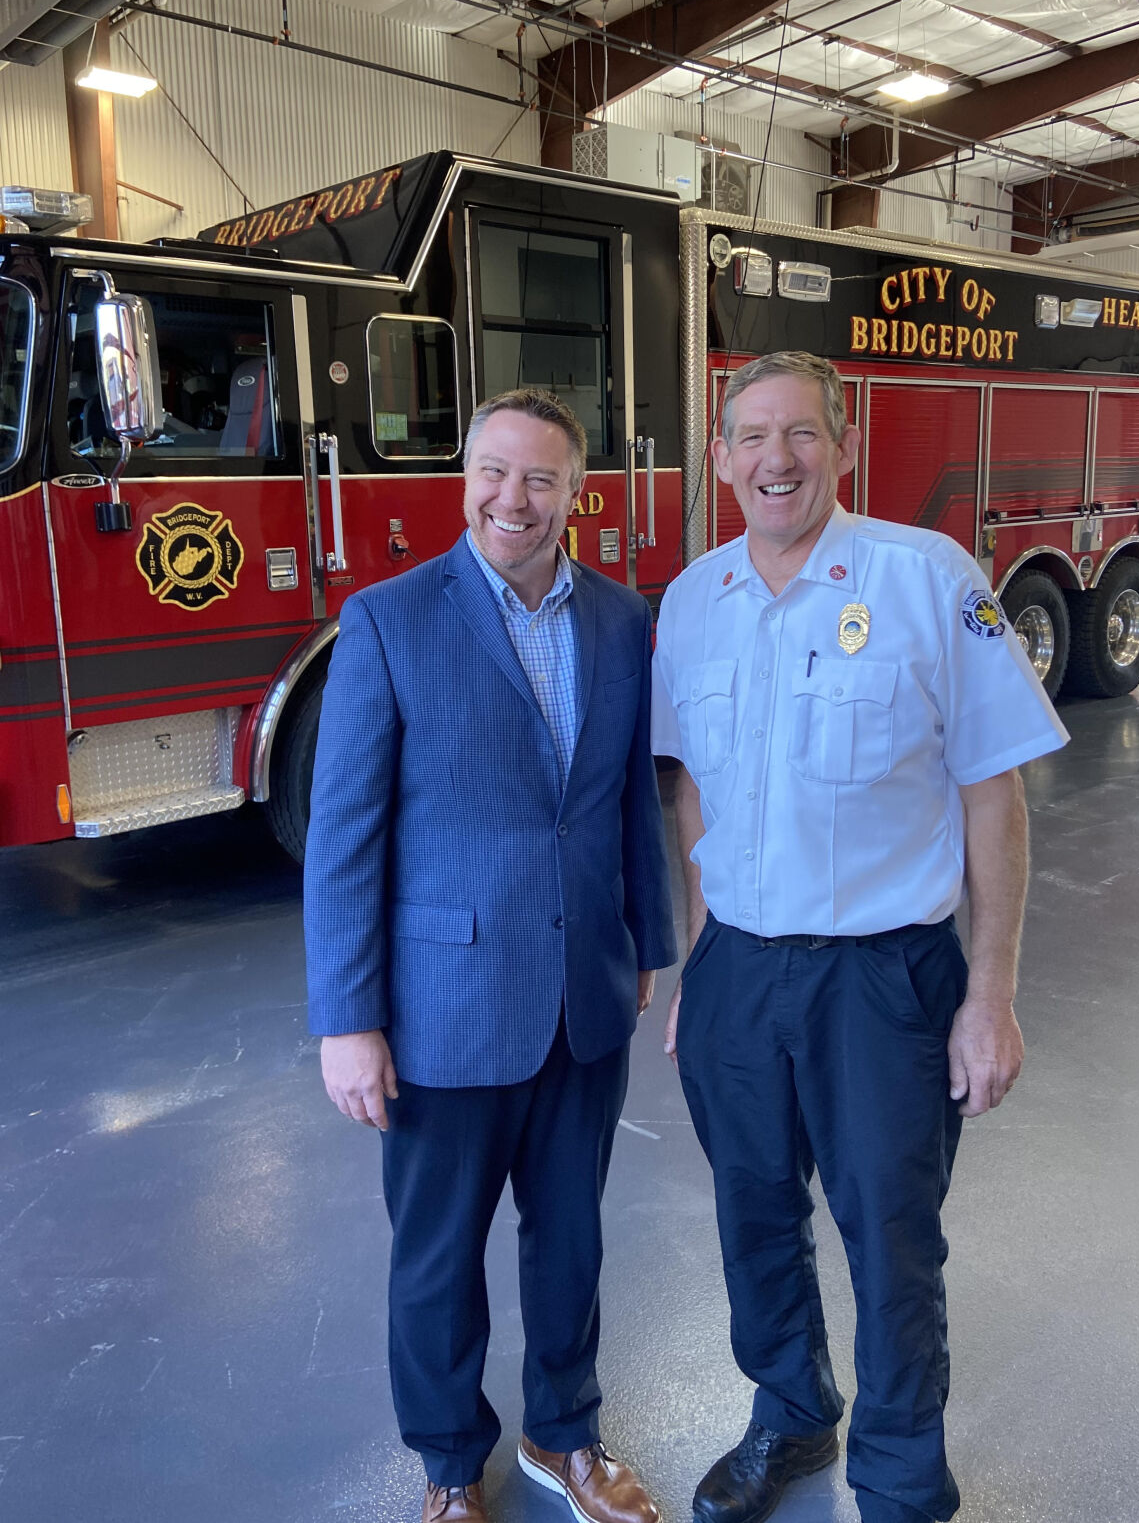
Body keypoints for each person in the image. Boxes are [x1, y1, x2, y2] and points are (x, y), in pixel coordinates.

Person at [651, 352, 1068, 1523]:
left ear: (842, 447)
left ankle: (897, 1478)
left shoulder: (928, 579)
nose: (774, 459)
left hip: (884, 978)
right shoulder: (691, 603)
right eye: (750, 438)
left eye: (799, 435)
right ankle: (788, 1413)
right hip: (737, 970)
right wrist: (700, 965)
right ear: (721, 456)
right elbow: (691, 795)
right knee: (751, 1214)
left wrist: (988, 997)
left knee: (889, 1236)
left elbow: (993, 794)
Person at [305, 387, 677, 1523]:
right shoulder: (387, 620)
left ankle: (564, 1434)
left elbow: (622, 804)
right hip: (442, 1007)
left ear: (577, 492)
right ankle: (449, 1466)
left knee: (571, 1239)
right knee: (436, 1260)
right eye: (492, 472)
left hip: (584, 1000)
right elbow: (343, 833)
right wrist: (346, 1018)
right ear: (463, 479)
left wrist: (645, 941)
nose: (512, 497)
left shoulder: (619, 621)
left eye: (540, 477)